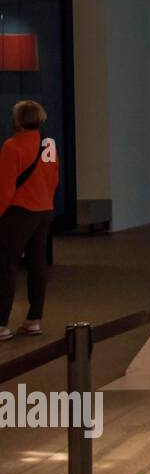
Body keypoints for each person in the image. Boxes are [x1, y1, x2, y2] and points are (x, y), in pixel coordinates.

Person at [0, 101, 59, 340]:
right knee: (38, 263)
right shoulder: (49, 144)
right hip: (44, 210)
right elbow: (54, 178)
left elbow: (5, 188)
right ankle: (34, 318)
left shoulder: (11, 147)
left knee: (6, 265)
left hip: (19, 211)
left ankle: (1, 323)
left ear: (17, 120)